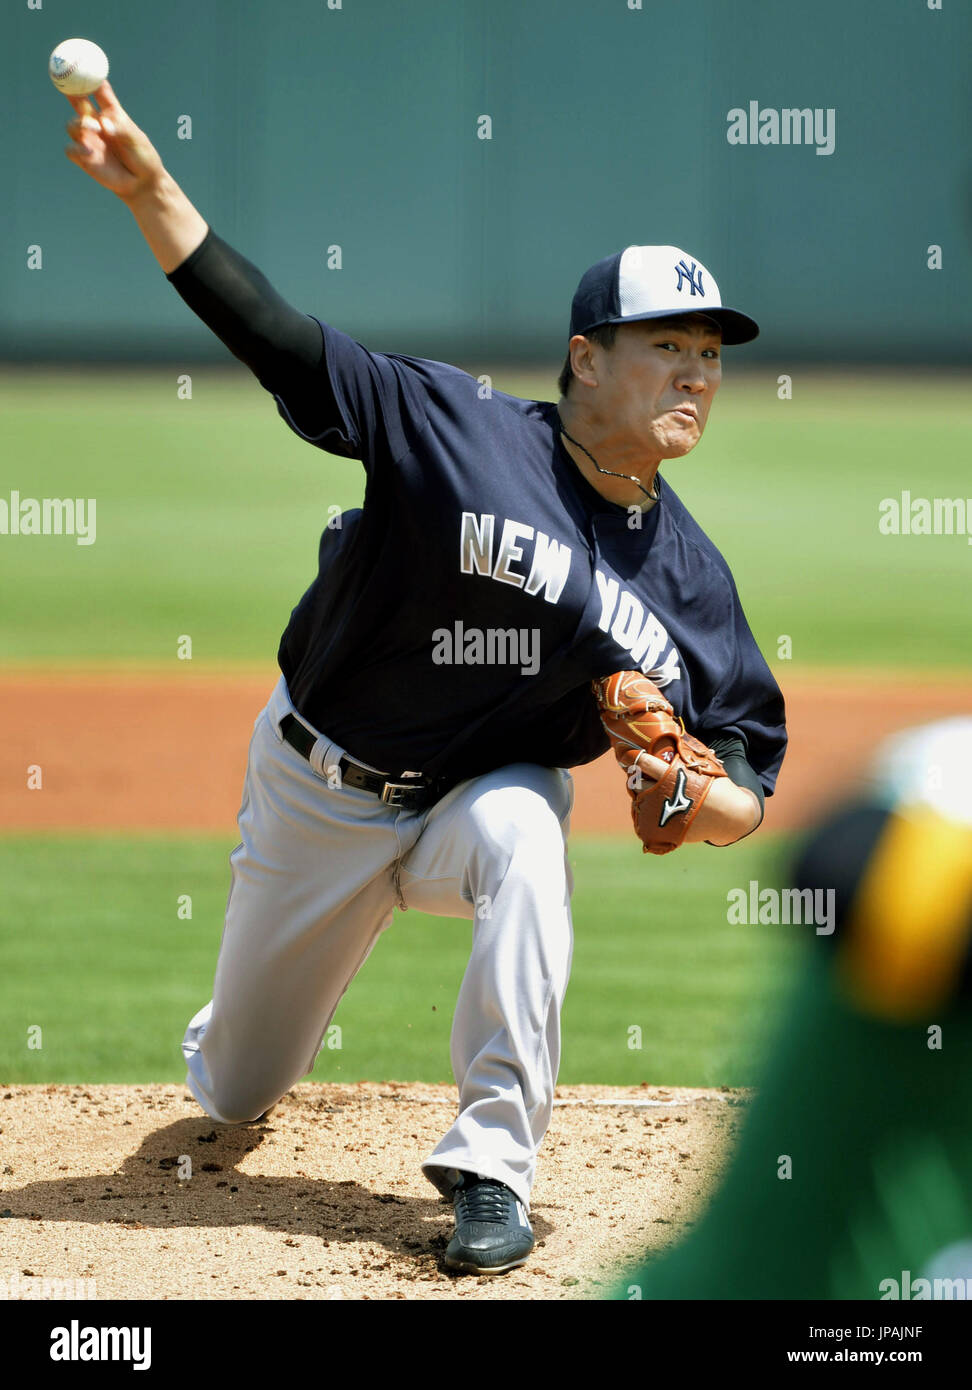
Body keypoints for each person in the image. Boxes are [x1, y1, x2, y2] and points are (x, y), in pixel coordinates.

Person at [59, 79, 786, 1275]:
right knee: (239, 1084)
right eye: (668, 348)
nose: (696, 375)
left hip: (472, 800)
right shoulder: (454, 427)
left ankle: (492, 1167)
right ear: (585, 361)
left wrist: (697, 796)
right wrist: (155, 193)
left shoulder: (693, 580)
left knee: (528, 831)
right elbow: (281, 340)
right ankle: (254, 1026)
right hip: (318, 788)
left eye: (709, 355)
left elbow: (750, 764)